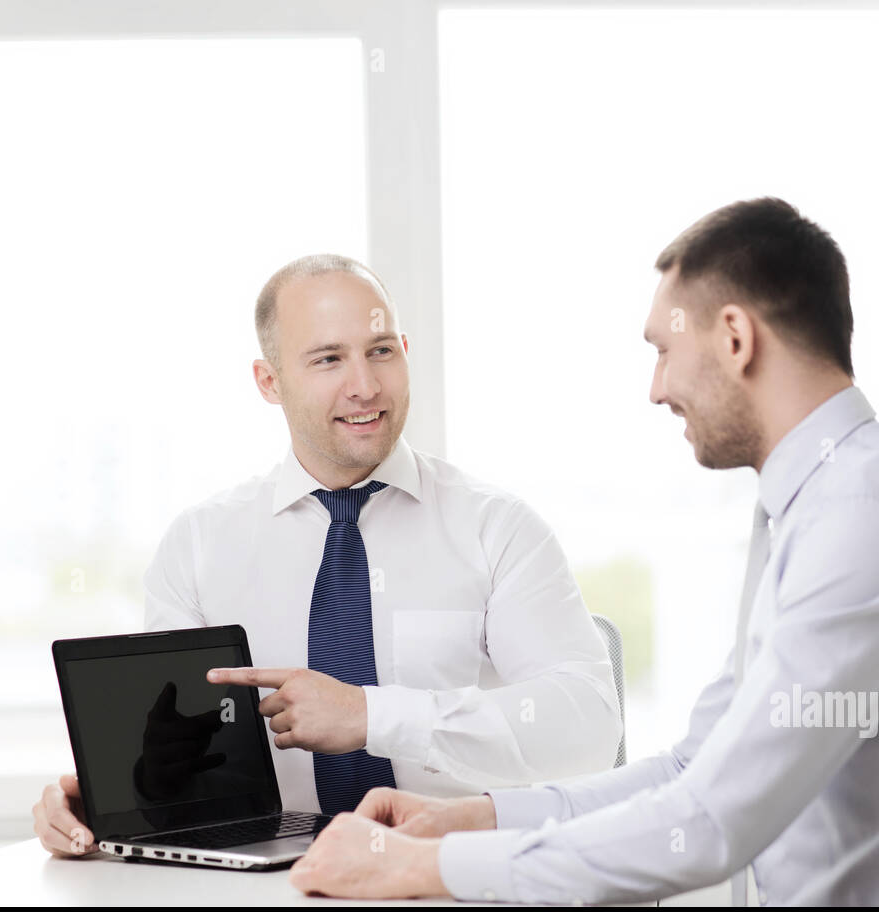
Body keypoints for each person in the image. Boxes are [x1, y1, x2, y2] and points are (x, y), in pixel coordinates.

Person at [285, 199, 879, 905]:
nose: (657, 388)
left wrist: (419, 866)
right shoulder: (822, 507)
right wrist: (476, 818)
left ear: (736, 339)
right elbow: (693, 767)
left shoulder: (867, 524)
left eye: (665, 350)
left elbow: (711, 825)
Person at [32, 255, 622, 857]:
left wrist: (373, 715)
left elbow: (591, 726)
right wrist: (119, 801)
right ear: (269, 381)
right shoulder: (199, 546)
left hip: (453, 878)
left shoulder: (497, 528)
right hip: (273, 888)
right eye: (328, 359)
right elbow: (177, 755)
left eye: (382, 351)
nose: (365, 385)